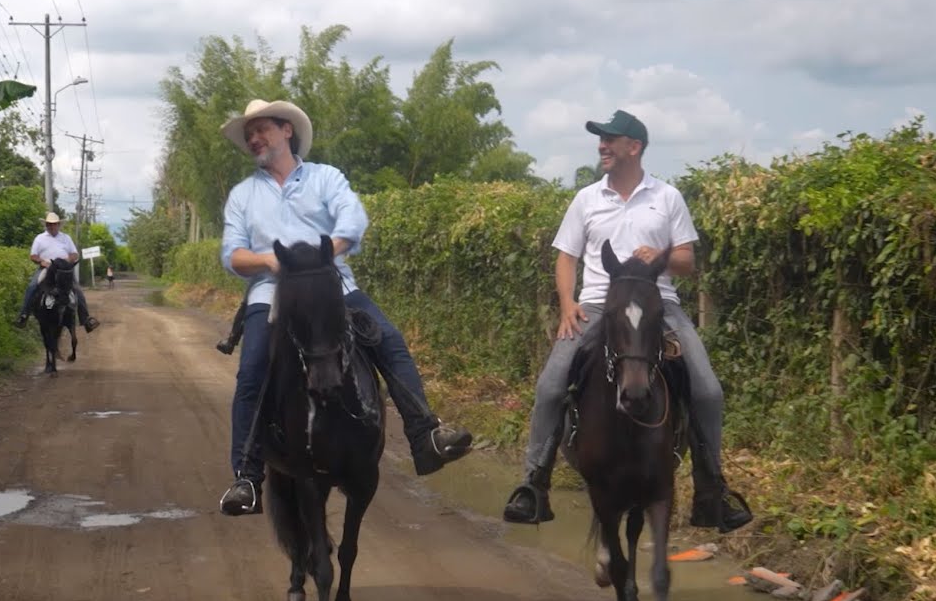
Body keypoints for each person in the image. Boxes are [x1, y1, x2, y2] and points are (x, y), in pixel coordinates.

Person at [215, 99, 474, 516]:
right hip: (271, 292)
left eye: (260, 129)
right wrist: (268, 261)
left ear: (286, 131)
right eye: (248, 135)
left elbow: (352, 222)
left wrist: (320, 258)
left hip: (333, 285)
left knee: (389, 341)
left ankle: (426, 436)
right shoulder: (243, 195)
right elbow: (233, 254)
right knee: (252, 370)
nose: (253, 139)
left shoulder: (326, 178)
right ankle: (246, 477)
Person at [501, 109, 752, 534]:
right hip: (597, 305)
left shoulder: (667, 197)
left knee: (708, 390)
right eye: (600, 139)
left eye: (609, 139)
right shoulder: (586, 199)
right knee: (550, 384)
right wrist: (567, 304)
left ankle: (712, 493)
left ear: (633, 147)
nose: (601, 145)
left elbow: (688, 261)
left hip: (659, 306)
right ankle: (534, 484)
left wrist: (663, 257)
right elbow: (566, 257)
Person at [14, 212, 101, 333]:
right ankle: (24, 315)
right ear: (46, 225)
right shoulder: (39, 238)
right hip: (47, 268)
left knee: (77, 290)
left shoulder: (66, 238)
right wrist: (41, 261)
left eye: (54, 224)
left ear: (58, 225)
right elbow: (33, 255)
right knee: (32, 286)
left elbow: (75, 254)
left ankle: (85, 319)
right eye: (49, 224)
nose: (52, 227)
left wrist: (68, 260)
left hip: (64, 270)